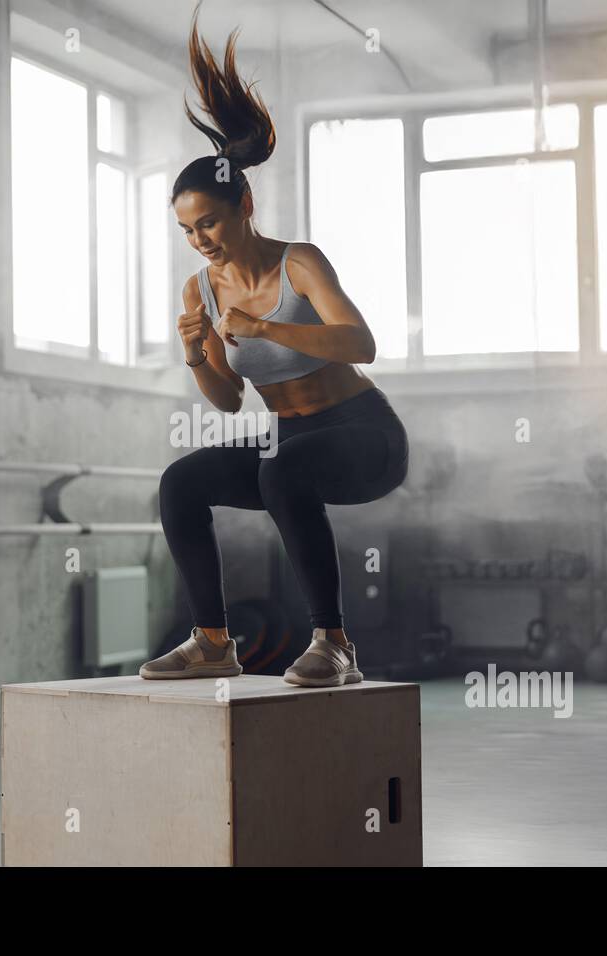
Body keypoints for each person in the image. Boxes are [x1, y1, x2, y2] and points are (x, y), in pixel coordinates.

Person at [140, 10, 409, 687]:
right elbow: (229, 401)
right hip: (287, 441)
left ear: (244, 206)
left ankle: (335, 646)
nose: (200, 240)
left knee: (282, 472)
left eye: (210, 221)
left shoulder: (300, 263)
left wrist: (267, 329)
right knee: (183, 481)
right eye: (187, 229)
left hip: (365, 436)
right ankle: (211, 641)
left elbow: (362, 342)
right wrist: (199, 355)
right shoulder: (198, 288)